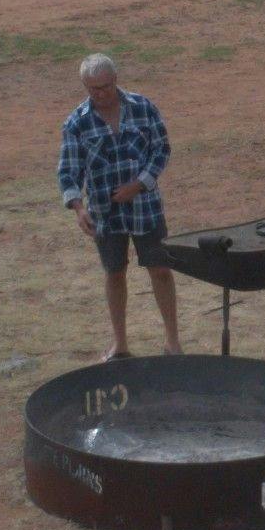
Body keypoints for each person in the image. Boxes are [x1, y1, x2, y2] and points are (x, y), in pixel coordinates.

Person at [58, 51, 182, 362]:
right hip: (104, 210)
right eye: (92, 89)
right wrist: (78, 207)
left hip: (145, 206)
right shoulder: (76, 123)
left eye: (104, 87)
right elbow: (68, 170)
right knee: (114, 273)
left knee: (161, 270)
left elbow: (161, 149)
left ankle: (172, 342)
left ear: (115, 81)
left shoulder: (142, 107)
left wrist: (139, 185)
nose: (99, 94)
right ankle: (120, 344)